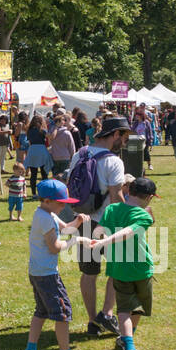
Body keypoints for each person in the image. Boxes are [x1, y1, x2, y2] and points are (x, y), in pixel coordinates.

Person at [64, 115, 131, 337]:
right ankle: (107, 313)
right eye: (124, 135)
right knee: (119, 269)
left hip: (82, 221)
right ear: (115, 135)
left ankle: (93, 321)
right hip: (107, 224)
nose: (125, 140)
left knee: (89, 274)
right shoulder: (114, 161)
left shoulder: (79, 154)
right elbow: (116, 195)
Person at [20, 179, 94, 350]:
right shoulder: (44, 218)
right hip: (47, 274)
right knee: (63, 313)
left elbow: (65, 229)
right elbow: (54, 247)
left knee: (41, 311)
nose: (64, 206)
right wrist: (75, 241)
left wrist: (77, 223)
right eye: (61, 202)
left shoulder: (47, 213)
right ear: (46, 200)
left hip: (37, 272)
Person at [92, 175, 160, 350]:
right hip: (140, 269)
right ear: (150, 198)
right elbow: (129, 232)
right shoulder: (144, 215)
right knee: (136, 309)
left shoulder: (111, 208)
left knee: (124, 310)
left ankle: (126, 341)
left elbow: (99, 231)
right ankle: (130, 349)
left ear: (128, 191)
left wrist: (101, 240)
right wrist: (105, 240)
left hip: (118, 268)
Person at [25, 114, 54, 180]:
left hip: (32, 150)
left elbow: (29, 142)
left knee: (33, 174)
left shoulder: (29, 130)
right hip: (41, 150)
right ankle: (44, 189)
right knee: (44, 174)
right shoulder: (43, 130)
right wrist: (55, 129)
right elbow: (50, 137)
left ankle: (33, 190)